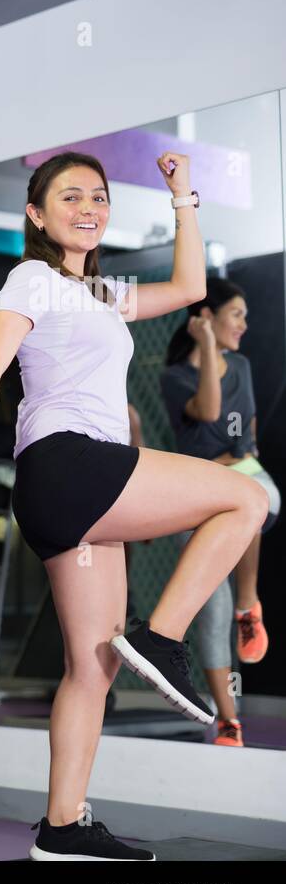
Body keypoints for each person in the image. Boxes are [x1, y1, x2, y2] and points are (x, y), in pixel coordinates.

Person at [0, 151, 266, 860]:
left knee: (90, 666)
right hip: (68, 466)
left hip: (69, 490)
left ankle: (61, 828)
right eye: (70, 197)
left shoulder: (101, 294)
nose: (89, 207)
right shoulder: (30, 279)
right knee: (245, 498)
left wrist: (182, 197)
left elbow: (191, 284)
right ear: (37, 216)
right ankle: (160, 637)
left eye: (98, 196)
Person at [160, 278, 279, 747]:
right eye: (236, 315)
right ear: (206, 318)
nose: (245, 325)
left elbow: (244, 431)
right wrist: (207, 344)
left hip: (244, 475)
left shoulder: (244, 365)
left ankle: (249, 606)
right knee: (212, 612)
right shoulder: (174, 377)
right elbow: (208, 412)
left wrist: (237, 459)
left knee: (252, 497)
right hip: (197, 497)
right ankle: (228, 722)